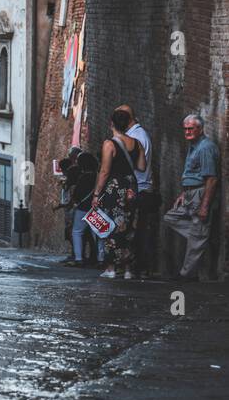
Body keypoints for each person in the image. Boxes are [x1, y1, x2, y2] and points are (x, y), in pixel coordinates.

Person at [163, 113, 220, 280]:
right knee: (170, 217)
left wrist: (204, 205)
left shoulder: (205, 148)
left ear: (200, 129)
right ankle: (201, 237)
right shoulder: (193, 145)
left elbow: (211, 178)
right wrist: (183, 192)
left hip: (199, 194)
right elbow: (193, 173)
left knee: (197, 233)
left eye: (191, 129)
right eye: (185, 129)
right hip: (189, 193)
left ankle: (186, 274)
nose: (187, 132)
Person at [91, 107, 146, 279]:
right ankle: (129, 269)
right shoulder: (137, 143)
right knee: (129, 228)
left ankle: (111, 268)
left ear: (111, 124)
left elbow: (105, 171)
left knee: (111, 227)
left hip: (114, 189)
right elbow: (142, 167)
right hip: (131, 187)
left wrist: (96, 194)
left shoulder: (109, 144)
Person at [116, 105, 158, 278]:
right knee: (139, 230)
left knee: (133, 231)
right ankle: (137, 267)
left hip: (138, 189)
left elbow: (135, 167)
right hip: (142, 188)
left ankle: (134, 267)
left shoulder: (133, 138)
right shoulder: (140, 135)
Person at [62, 149, 98, 267]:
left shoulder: (82, 178)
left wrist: (74, 202)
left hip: (82, 208)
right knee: (97, 233)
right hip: (95, 208)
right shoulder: (97, 177)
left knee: (77, 232)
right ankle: (101, 258)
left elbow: (77, 194)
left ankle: (78, 258)